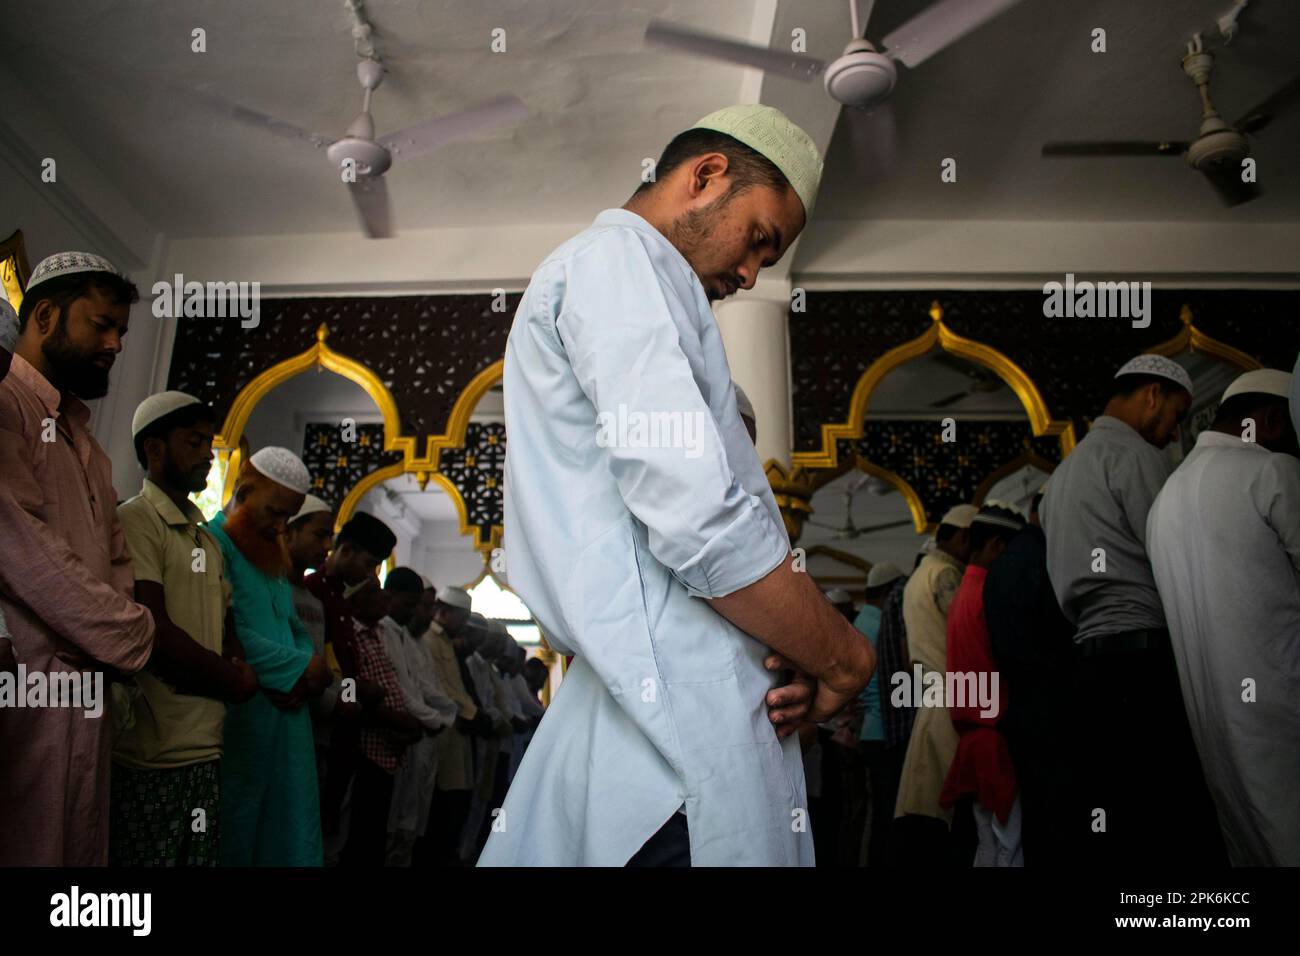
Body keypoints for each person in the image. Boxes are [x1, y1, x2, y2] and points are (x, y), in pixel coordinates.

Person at [483, 104, 873, 867]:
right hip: (678, 747)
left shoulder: (639, 280)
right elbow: (698, 518)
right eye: (759, 238)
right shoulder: (619, 263)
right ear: (705, 176)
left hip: (670, 723)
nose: (751, 273)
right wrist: (842, 656)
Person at [0, 252, 155, 866]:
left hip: (88, 688)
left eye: (121, 331)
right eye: (102, 325)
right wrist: (129, 636)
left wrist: (116, 635)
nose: (115, 343)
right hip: (26, 688)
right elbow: (19, 545)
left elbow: (116, 567)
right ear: (44, 314)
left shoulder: (88, 447)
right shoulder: (7, 404)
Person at [1041, 354, 1221, 865]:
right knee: (1163, 812)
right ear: (1151, 396)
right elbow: (1173, 558)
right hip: (1144, 658)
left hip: (1090, 664)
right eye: (1177, 415)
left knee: (1113, 812)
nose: (1175, 431)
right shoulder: (1137, 457)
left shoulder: (1062, 475)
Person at [1147, 369, 1300, 865]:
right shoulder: (1273, 472)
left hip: (1216, 731)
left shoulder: (1164, 500)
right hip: (1285, 714)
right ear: (1275, 421)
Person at [110, 391, 259, 866]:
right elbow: (153, 631)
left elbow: (225, 620)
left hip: (204, 743)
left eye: (209, 444)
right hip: (153, 750)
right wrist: (232, 679)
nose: (207, 456)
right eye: (194, 442)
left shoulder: (202, 536)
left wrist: (235, 660)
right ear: (154, 449)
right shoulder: (137, 519)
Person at [207, 446, 331, 866]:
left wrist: (309, 666)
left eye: (287, 518)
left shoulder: (271, 549)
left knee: (289, 826)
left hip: (289, 711)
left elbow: (291, 623)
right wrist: (299, 668)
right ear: (243, 491)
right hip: (245, 711)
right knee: (238, 826)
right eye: (275, 513)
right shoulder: (213, 543)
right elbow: (227, 628)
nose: (280, 527)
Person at [982, 486, 1075, 866]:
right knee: (1062, 824)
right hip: (1054, 711)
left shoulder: (1001, 564)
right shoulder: (1046, 556)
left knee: (1036, 824)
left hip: (1020, 711)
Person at [939, 503, 1025, 867]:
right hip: (994, 737)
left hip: (974, 737)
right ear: (995, 546)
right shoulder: (987, 593)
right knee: (1011, 845)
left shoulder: (963, 592)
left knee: (987, 844)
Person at [305, 512, 396, 856]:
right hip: (319, 730)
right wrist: (358, 690)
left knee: (332, 831)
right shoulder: (314, 592)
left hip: (343, 732)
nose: (371, 574)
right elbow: (322, 669)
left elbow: (342, 668)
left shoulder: (339, 600)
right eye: (370, 563)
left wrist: (355, 689)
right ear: (346, 550)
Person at [894, 504, 975, 864]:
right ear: (959, 537)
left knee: (926, 808)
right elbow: (968, 636)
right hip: (953, 699)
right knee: (954, 816)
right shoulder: (945, 576)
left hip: (931, 698)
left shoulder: (918, 576)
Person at [339, 575, 421, 868]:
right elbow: (355, 693)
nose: (383, 600)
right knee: (358, 838)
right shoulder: (351, 634)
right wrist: (403, 723)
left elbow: (396, 688)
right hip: (366, 750)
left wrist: (408, 728)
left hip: (391, 750)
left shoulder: (378, 633)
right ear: (354, 598)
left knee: (376, 835)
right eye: (375, 593)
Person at [379, 571, 456, 866]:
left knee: (413, 818)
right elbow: (399, 689)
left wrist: (441, 716)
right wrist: (436, 718)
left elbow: (427, 688)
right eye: (421, 605)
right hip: (403, 734)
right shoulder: (386, 631)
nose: (422, 613)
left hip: (423, 733)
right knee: (393, 819)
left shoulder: (415, 640)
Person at [415, 585, 485, 867]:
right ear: (446, 613)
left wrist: (474, 714)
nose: (465, 625)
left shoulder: (445, 641)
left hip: (458, 734)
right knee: (439, 810)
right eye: (463, 618)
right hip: (444, 732)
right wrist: (473, 714)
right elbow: (442, 688)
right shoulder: (430, 639)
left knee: (456, 804)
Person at [285, 494, 340, 799]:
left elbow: (322, 664)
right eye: (319, 535)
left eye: (330, 536)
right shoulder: (272, 589)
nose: (327, 546)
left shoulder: (314, 601)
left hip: (314, 727)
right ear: (289, 530)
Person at [852, 560, 903, 866]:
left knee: (873, 812)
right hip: (883, 732)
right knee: (884, 815)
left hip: (867, 730)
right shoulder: (881, 625)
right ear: (889, 591)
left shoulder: (859, 624)